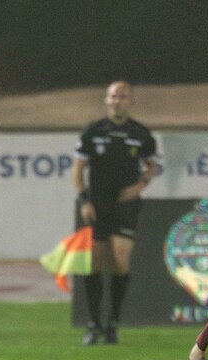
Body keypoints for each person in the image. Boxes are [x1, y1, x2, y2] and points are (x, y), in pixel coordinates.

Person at [72, 80, 158, 345]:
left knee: (120, 262)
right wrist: (84, 200)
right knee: (94, 261)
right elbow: (78, 170)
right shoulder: (93, 131)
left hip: (124, 206)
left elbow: (151, 166)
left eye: (122, 96)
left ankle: (113, 324)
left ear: (130, 101)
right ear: (106, 100)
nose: (116, 100)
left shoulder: (141, 134)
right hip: (97, 205)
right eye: (112, 96)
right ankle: (94, 323)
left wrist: (140, 185)